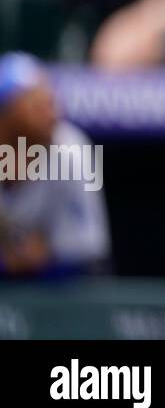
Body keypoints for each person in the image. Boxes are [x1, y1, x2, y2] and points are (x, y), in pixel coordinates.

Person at [0, 53, 110, 279]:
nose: (51, 113)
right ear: (6, 114)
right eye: (37, 104)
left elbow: (90, 253)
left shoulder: (71, 150)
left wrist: (46, 255)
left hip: (61, 288)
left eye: (50, 101)